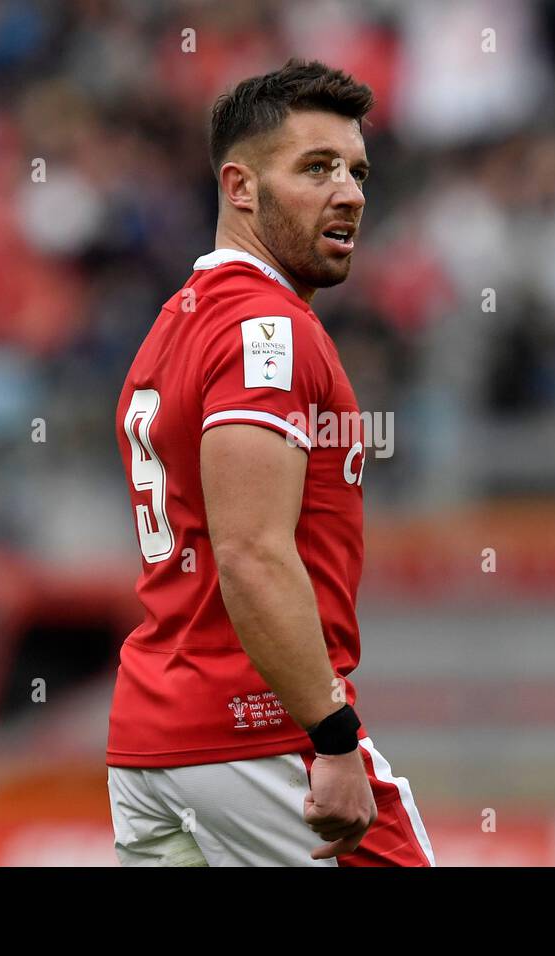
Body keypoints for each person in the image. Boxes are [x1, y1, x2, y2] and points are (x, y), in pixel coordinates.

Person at [106, 59, 435, 867]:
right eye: (316, 168)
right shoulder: (267, 332)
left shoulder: (174, 325)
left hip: (152, 744)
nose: (350, 194)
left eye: (358, 171)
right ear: (241, 188)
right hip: (257, 736)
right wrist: (332, 735)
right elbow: (252, 551)